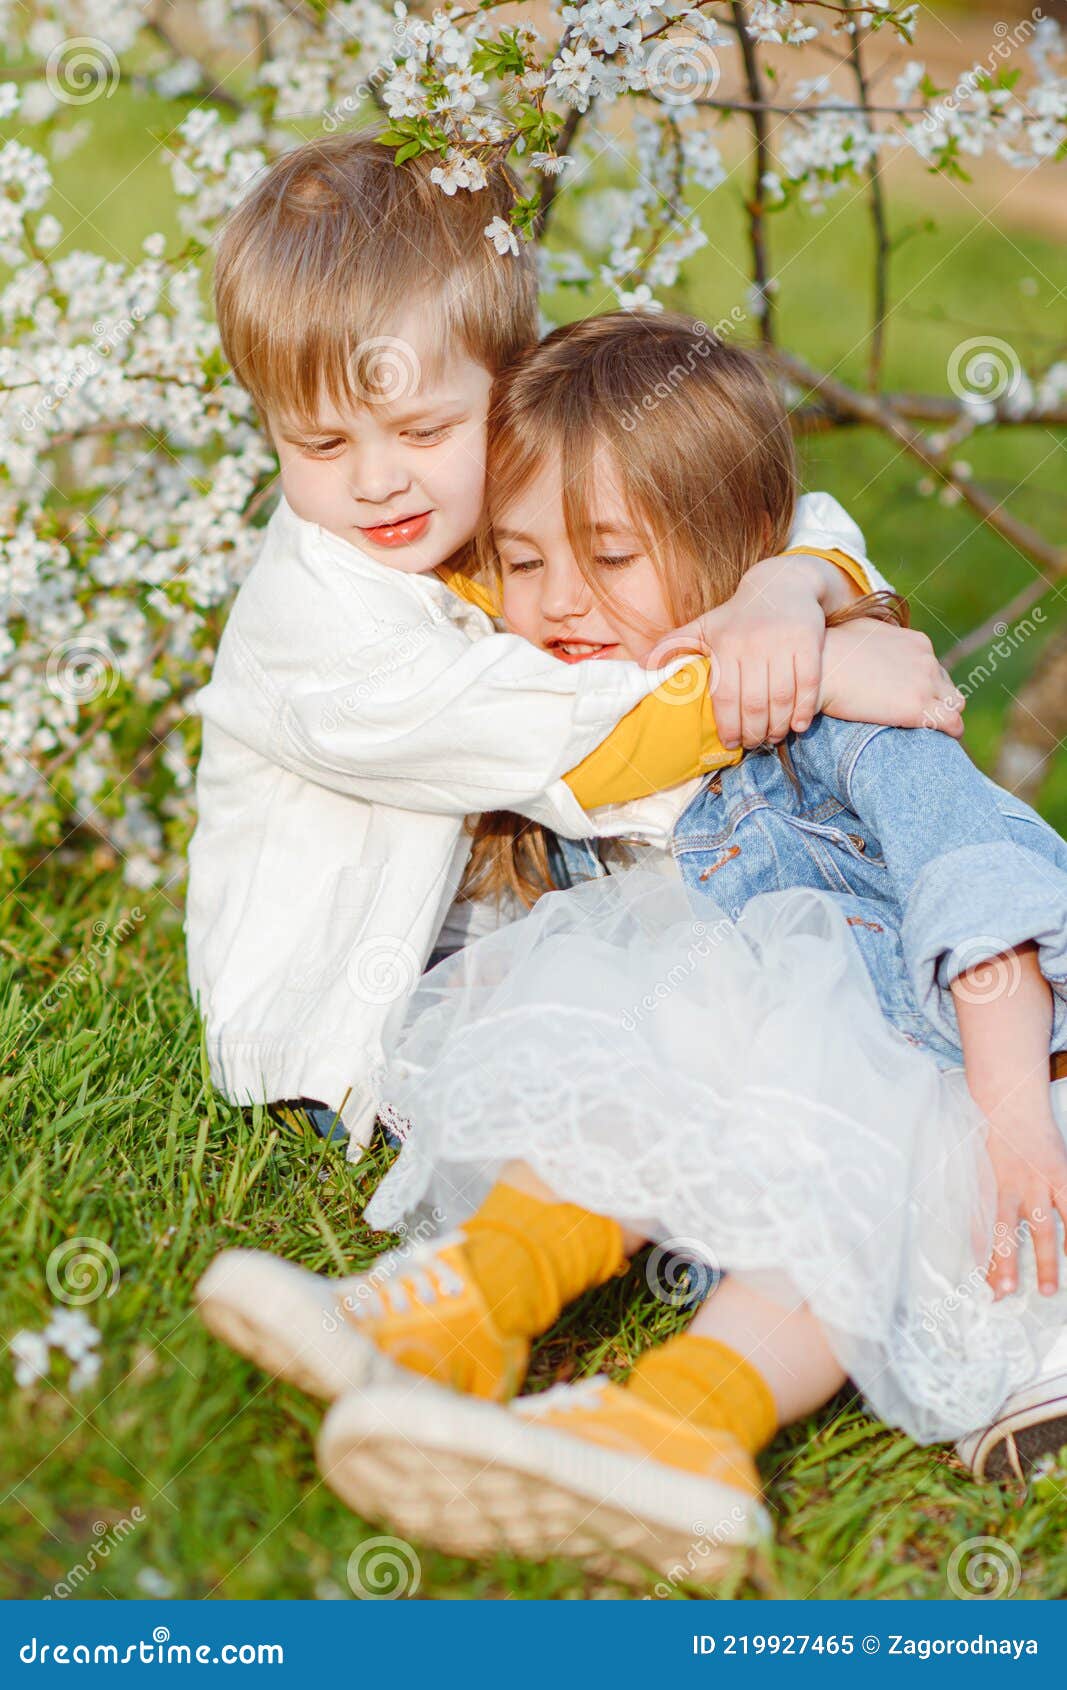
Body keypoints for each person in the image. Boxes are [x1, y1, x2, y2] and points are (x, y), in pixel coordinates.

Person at [199, 314, 1067, 1584]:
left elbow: (976, 891)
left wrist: (1005, 1109)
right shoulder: (607, 708)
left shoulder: (853, 725)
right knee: (619, 1031)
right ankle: (463, 1312)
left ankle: (685, 1426)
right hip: (731, 1073)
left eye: (607, 556)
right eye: (521, 557)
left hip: (936, 1081)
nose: (555, 601)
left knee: (810, 1144)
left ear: (725, 555)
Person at [187, 130, 938, 1155]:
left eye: (419, 431)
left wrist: (790, 588)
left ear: (508, 391)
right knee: (638, 1067)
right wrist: (809, 674)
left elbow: (766, 513)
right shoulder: (314, 629)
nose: (374, 482)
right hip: (351, 1011)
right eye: (319, 443)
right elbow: (577, 750)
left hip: (514, 920)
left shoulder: (506, 498)